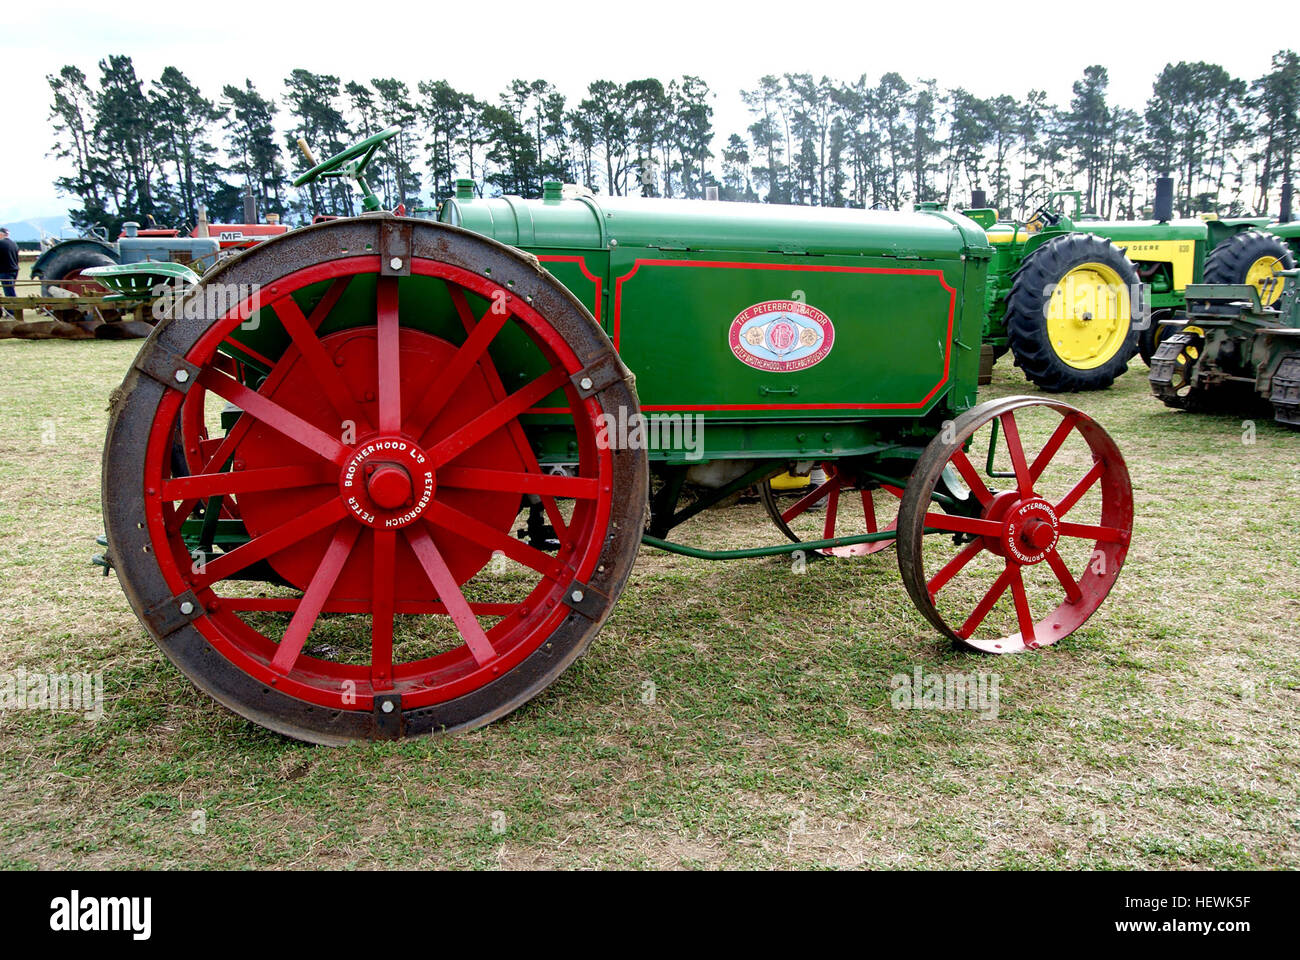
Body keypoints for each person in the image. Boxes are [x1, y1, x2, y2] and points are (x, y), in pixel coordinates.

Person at [0, 227, 18, 299]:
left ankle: (13, 309)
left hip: (5, 271)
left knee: (9, 293)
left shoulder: (1, 243)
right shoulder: (14, 244)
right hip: (14, 270)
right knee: (10, 290)